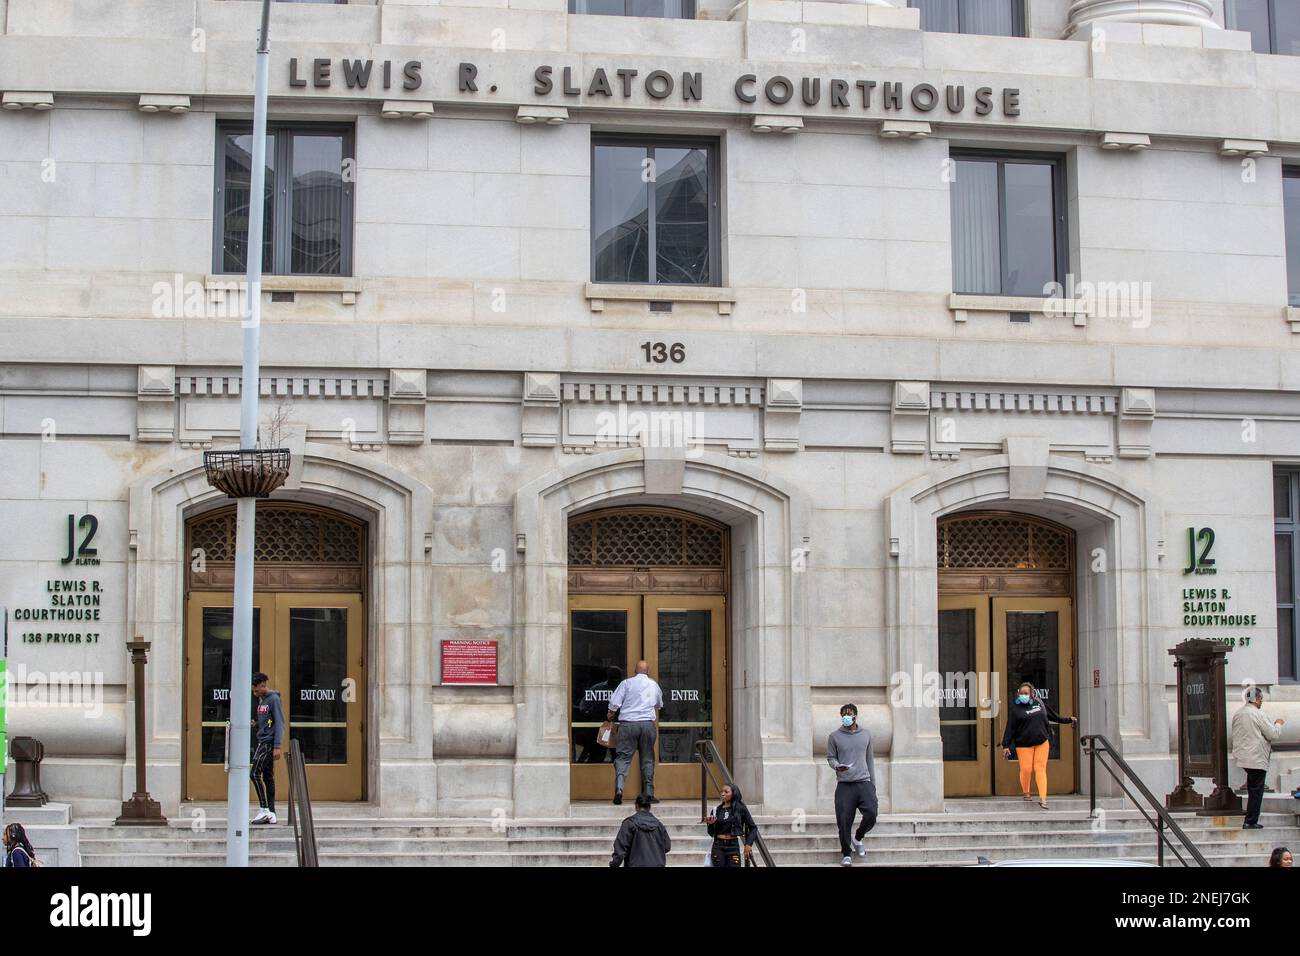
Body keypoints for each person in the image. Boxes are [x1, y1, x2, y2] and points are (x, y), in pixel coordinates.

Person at [1000, 682, 1076, 810]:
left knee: (1040, 769)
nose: (1023, 695)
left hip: (1041, 742)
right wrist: (1005, 745)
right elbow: (1010, 728)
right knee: (1026, 769)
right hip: (1023, 744)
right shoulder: (1015, 709)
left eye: (1026, 693)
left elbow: (1053, 716)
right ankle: (1026, 792)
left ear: (1032, 694)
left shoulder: (1039, 704)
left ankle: (1043, 799)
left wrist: (1068, 720)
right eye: (1021, 693)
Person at [826, 703, 877, 867]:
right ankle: (846, 853)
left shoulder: (866, 735)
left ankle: (858, 837)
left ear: (855, 715)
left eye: (848, 714)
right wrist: (837, 766)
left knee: (871, 814)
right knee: (843, 820)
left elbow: (870, 760)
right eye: (843, 714)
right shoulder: (834, 736)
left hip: (864, 782)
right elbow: (831, 758)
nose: (846, 717)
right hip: (844, 785)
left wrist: (872, 784)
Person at [606, 660, 663, 805]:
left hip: (628, 725)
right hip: (647, 725)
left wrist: (610, 715)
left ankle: (619, 790)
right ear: (648, 671)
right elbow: (659, 704)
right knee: (647, 759)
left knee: (623, 758)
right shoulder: (653, 684)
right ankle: (649, 794)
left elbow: (614, 703)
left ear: (635, 670)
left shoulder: (626, 683)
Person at [1232, 685, 1284, 830]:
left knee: (1252, 786)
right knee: (1256, 790)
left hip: (1244, 757)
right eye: (1261, 699)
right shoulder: (1258, 714)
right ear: (1256, 699)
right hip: (1256, 757)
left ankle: (1250, 818)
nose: (1261, 702)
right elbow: (1273, 734)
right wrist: (1278, 724)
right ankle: (1251, 820)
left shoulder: (1239, 713)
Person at [251, 672, 285, 825]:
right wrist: (257, 725)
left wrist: (277, 746)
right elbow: (268, 721)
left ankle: (264, 809)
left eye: (256, 689)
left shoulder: (273, 699)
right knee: (267, 776)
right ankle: (271, 812)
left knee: (254, 773)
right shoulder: (262, 701)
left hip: (268, 743)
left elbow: (279, 722)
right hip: (263, 739)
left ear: (262, 685)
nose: (254, 692)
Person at [609, 793, 671, 867]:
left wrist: (614, 864)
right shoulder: (659, 825)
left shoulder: (629, 824)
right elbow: (667, 847)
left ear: (636, 806)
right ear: (649, 807)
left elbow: (620, 850)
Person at [706, 783, 758, 867]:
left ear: (734, 793)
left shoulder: (741, 809)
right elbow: (711, 833)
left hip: (733, 846)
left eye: (726, 792)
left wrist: (748, 844)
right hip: (718, 846)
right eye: (722, 792)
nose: (723, 794)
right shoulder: (716, 810)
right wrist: (710, 824)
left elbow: (753, 828)